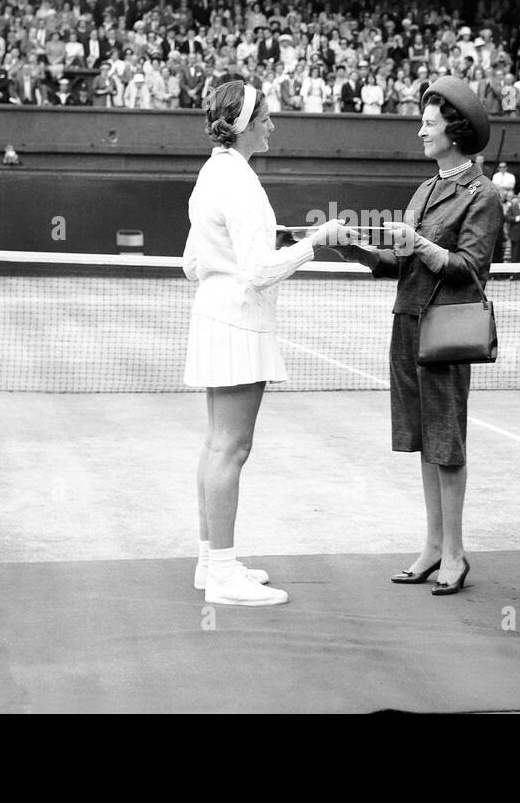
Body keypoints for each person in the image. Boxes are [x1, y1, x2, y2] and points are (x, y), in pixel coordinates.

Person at [183, 80, 355, 607]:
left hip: (215, 313)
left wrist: (261, 243)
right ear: (244, 126)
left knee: (217, 445)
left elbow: (192, 262)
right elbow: (257, 272)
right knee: (232, 448)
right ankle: (224, 574)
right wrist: (313, 243)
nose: (272, 126)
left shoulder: (213, 173)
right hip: (238, 320)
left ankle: (211, 562)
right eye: (266, 119)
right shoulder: (242, 184)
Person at [338, 76, 501, 596]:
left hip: (448, 329)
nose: (420, 132)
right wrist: (354, 248)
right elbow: (396, 263)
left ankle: (454, 553)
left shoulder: (482, 194)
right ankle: (433, 547)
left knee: (447, 444)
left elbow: (471, 268)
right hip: (408, 324)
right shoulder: (426, 189)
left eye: (427, 124)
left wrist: (422, 245)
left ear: (454, 130)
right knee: (426, 444)